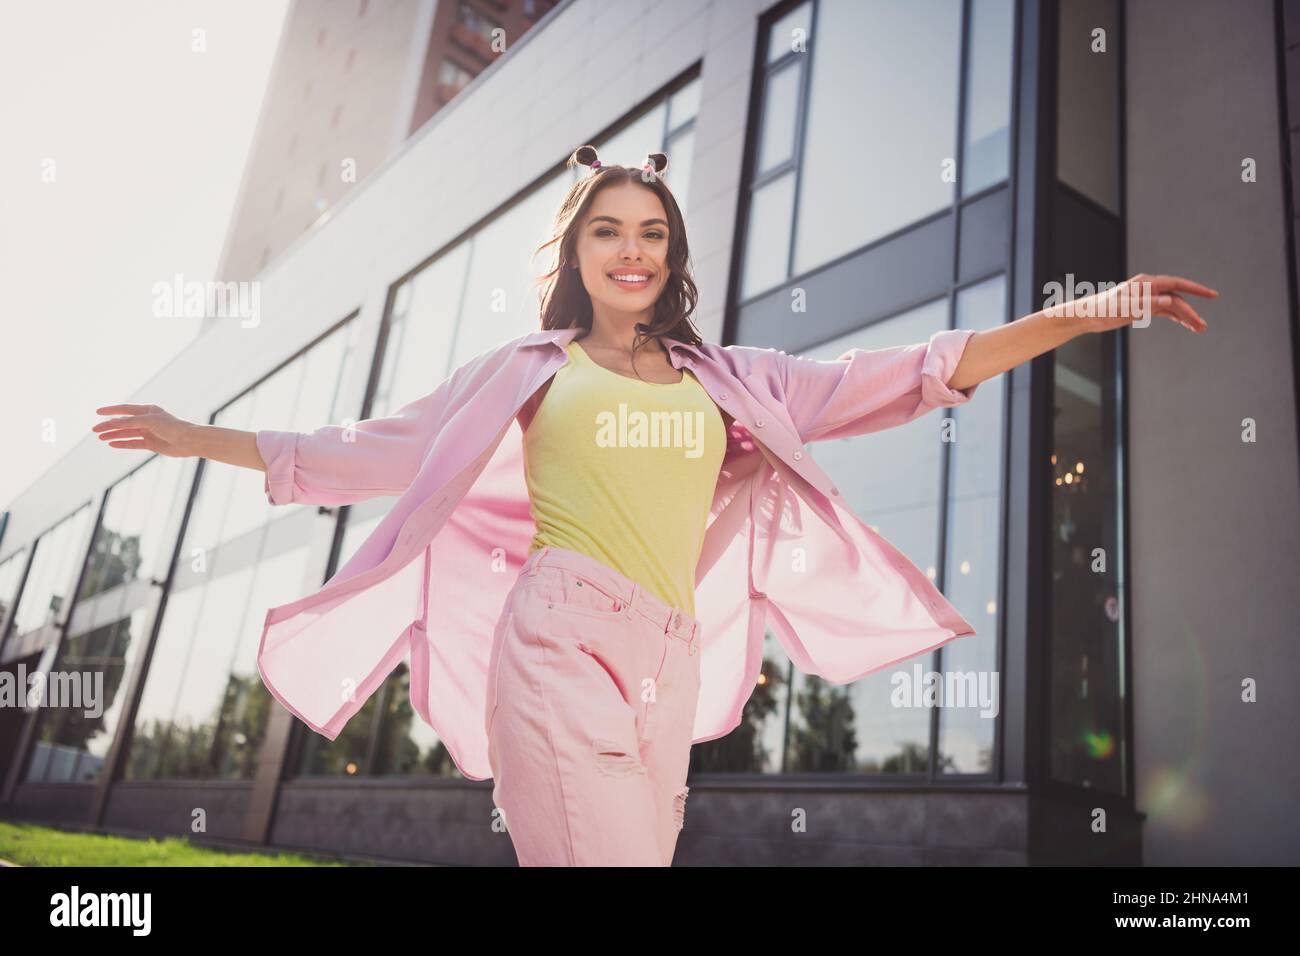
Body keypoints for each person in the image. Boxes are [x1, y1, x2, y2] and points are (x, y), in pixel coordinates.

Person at [93, 144, 1216, 866]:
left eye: (650, 232)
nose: (630, 250)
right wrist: (196, 438)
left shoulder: (734, 378)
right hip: (555, 640)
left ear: (669, 255)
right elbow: (367, 451)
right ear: (576, 253)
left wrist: (1093, 309)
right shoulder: (523, 369)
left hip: (668, 662)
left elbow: (922, 365)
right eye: (605, 229)